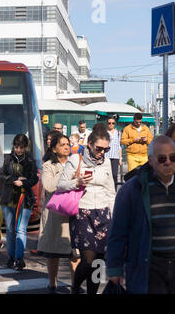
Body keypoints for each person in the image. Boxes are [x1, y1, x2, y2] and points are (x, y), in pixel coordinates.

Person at [107, 135, 175, 294]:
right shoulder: (133, 190)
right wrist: (114, 268)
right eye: (161, 158)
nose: (168, 162)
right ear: (150, 160)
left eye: (172, 157)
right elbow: (118, 231)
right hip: (149, 265)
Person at [57, 123, 116, 294]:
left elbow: (111, 192)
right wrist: (77, 182)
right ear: (89, 143)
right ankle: (76, 286)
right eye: (99, 148)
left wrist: (114, 217)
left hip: (104, 213)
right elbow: (60, 185)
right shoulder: (76, 159)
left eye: (106, 149)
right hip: (83, 212)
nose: (102, 152)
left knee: (99, 261)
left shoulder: (106, 163)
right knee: (88, 259)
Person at [37, 133, 80, 294]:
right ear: (54, 149)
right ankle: (52, 283)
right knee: (52, 253)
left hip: (74, 211)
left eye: (68, 143)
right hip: (55, 215)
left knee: (75, 253)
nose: (66, 147)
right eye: (62, 144)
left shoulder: (76, 162)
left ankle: (75, 285)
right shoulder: (48, 165)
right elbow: (48, 185)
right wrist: (69, 178)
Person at [0, 134, 39, 270]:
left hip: (24, 198)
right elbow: (0, 175)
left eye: (21, 147)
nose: (19, 150)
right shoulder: (7, 158)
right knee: (10, 230)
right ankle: (11, 258)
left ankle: (19, 258)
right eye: (16, 147)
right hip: (8, 198)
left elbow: (34, 179)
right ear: (13, 146)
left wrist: (23, 182)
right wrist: (13, 179)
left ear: (25, 147)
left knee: (21, 229)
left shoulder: (30, 160)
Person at [105, 117, 122, 188]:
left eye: (113, 123)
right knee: (107, 175)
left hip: (115, 156)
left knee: (115, 175)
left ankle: (114, 190)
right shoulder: (105, 132)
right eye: (109, 123)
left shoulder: (118, 132)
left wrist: (120, 158)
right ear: (107, 124)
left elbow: (119, 146)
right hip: (106, 156)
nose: (111, 124)